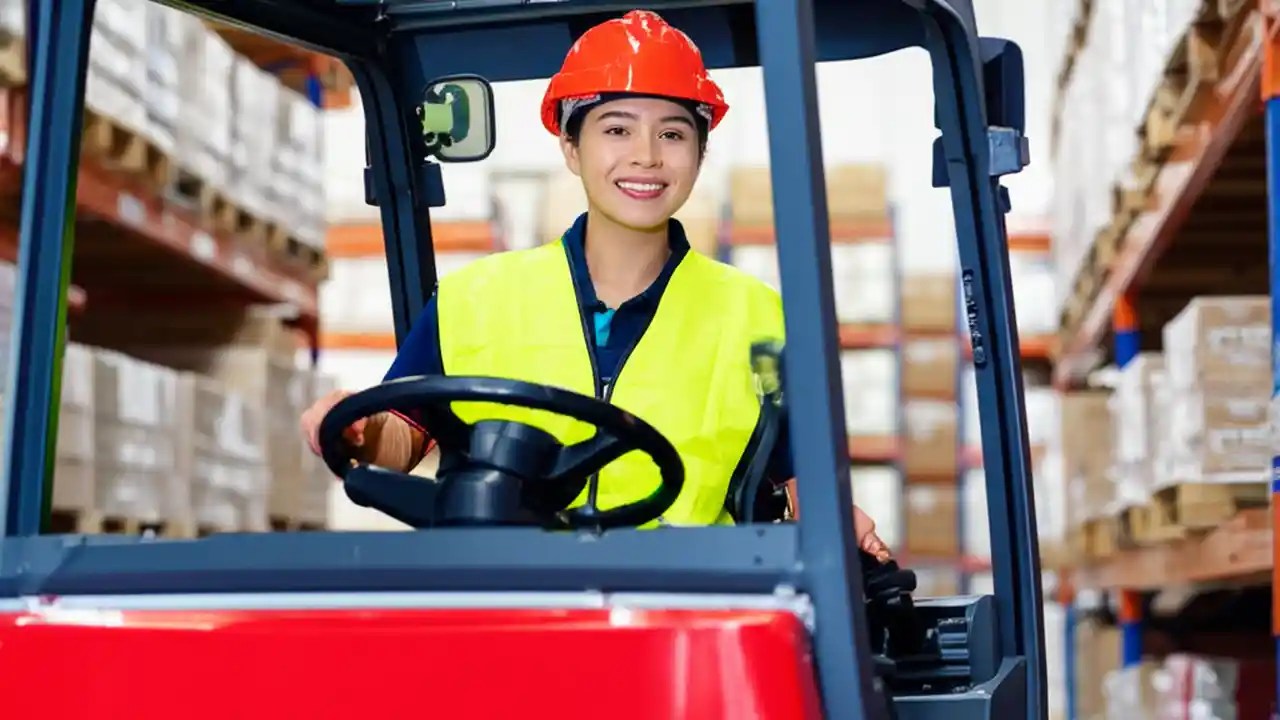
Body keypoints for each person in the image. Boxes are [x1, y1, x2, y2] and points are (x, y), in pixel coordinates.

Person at [300, 9, 890, 561]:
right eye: (617, 129)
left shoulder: (761, 318)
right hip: (509, 596)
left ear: (700, 151)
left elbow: (803, 483)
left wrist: (843, 520)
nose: (646, 157)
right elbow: (398, 444)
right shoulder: (474, 299)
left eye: (673, 134)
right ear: (570, 146)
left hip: (693, 606)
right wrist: (356, 430)